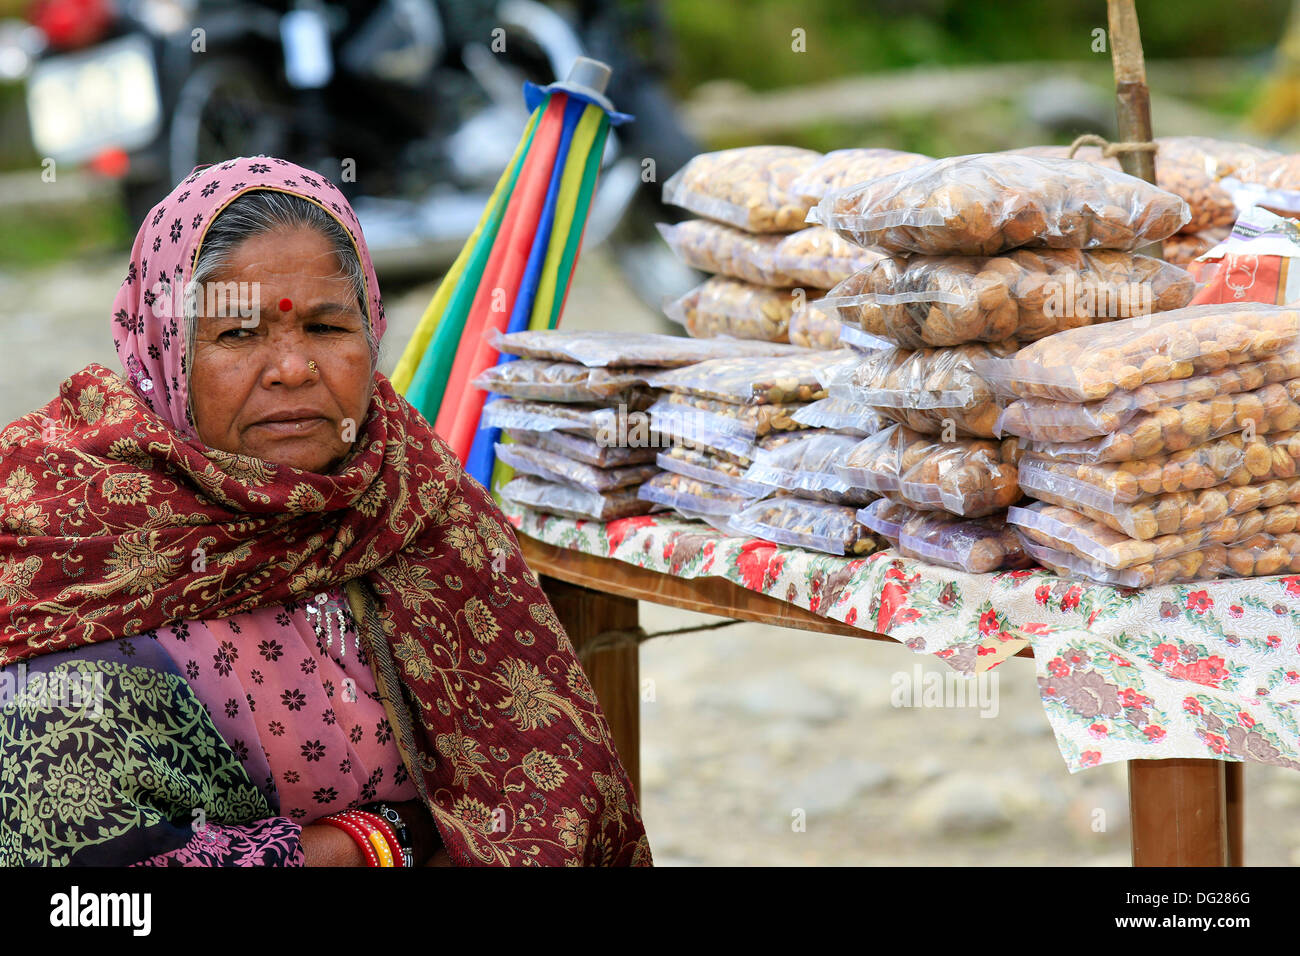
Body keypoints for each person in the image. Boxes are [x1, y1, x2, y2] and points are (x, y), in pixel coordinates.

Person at [0, 156, 650, 867]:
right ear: (165, 348)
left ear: (370, 329)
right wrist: (379, 843)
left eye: (326, 327)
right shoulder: (57, 528)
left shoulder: (419, 500)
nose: (292, 368)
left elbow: (552, 784)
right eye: (239, 335)